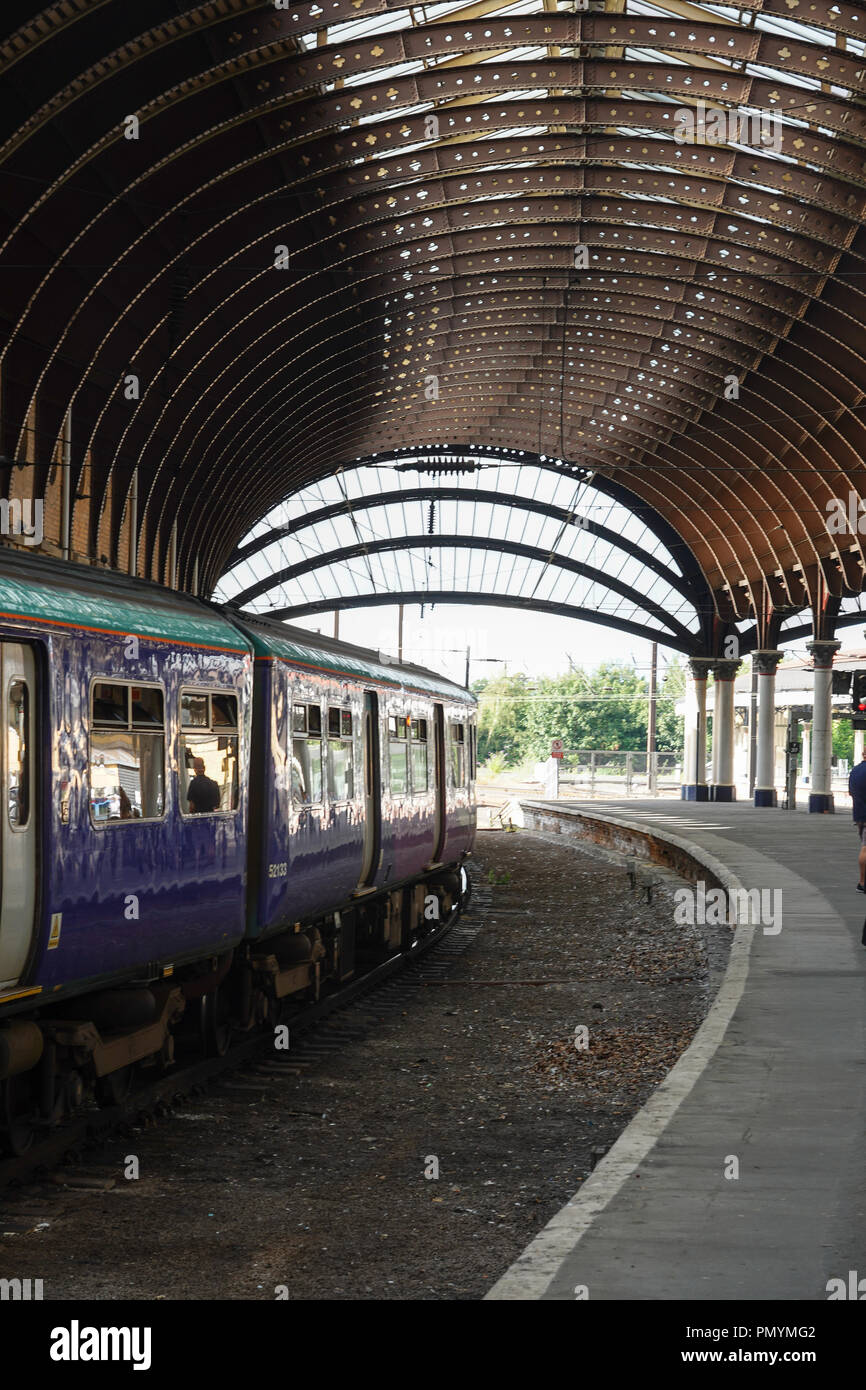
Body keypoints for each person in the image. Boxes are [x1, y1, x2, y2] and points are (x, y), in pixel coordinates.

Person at [848, 747, 866, 892]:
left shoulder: (855, 771)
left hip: (860, 815)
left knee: (864, 847)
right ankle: (863, 883)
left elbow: (851, 792)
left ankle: (862, 882)